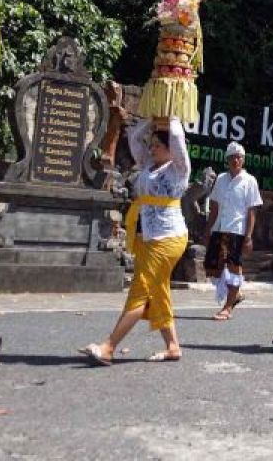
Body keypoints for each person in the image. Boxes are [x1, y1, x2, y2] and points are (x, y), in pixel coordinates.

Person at [82, 116, 191, 365]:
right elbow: (133, 137)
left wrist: (171, 116)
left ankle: (109, 347)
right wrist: (151, 120)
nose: (152, 149)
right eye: (151, 145)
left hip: (168, 237)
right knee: (158, 290)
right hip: (147, 236)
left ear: (171, 150)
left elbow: (177, 136)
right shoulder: (148, 165)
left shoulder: (179, 169)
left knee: (140, 290)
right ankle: (173, 346)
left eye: (158, 145)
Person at [204, 142, 262, 321]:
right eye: (232, 157)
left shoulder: (249, 180)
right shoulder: (221, 179)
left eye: (239, 157)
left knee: (234, 268)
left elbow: (252, 210)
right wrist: (208, 228)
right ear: (227, 160)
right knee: (214, 268)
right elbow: (214, 206)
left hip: (237, 230)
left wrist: (249, 236)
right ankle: (235, 295)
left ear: (243, 160)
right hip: (219, 229)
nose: (235, 160)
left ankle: (228, 307)